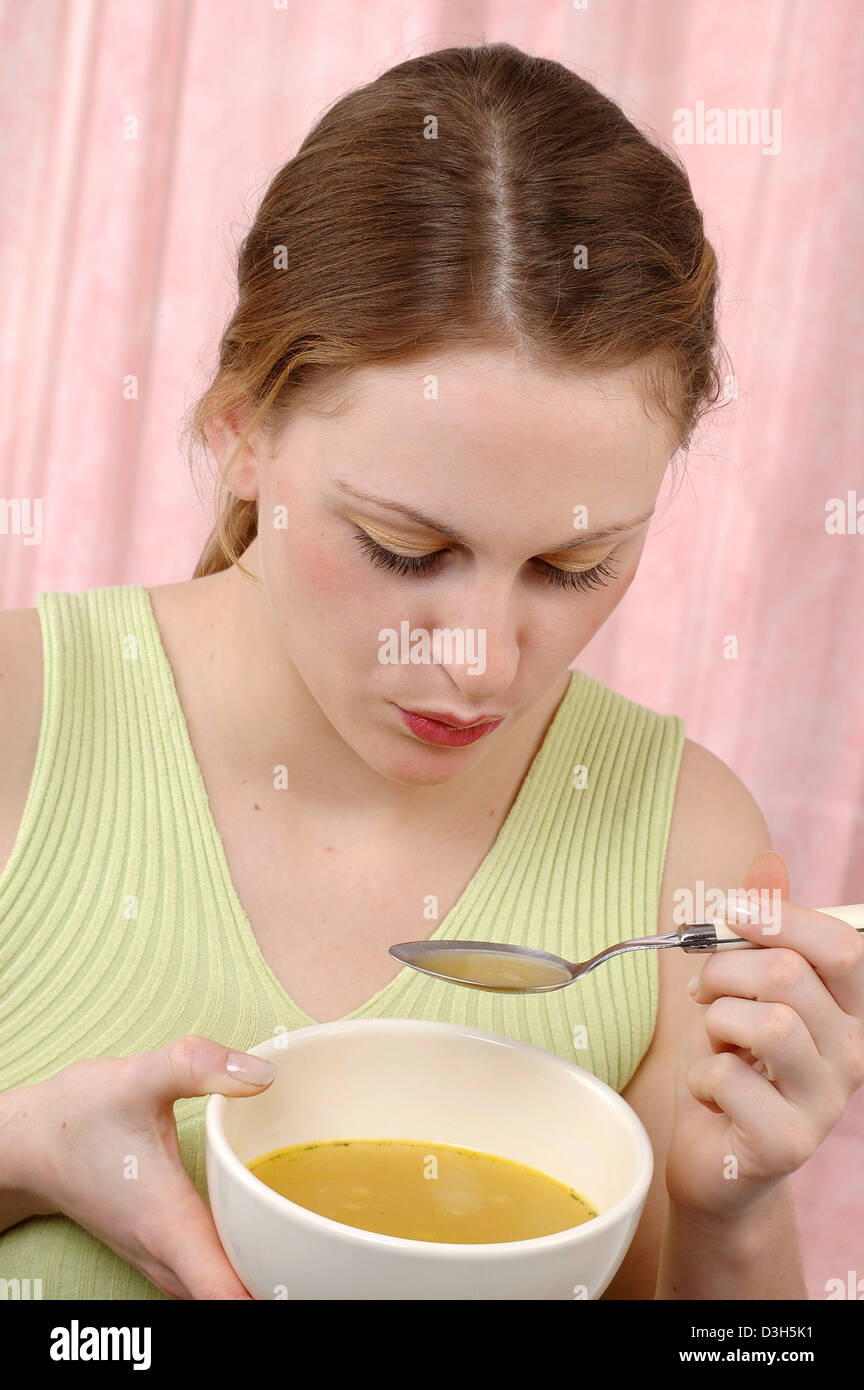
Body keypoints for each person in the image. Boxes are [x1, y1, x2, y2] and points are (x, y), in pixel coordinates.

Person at [1, 41, 861, 1302]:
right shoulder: (24, 720)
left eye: (574, 566)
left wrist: (728, 1220)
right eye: (407, 548)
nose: (479, 662)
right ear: (242, 429)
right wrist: (23, 1157)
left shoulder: (687, 842)